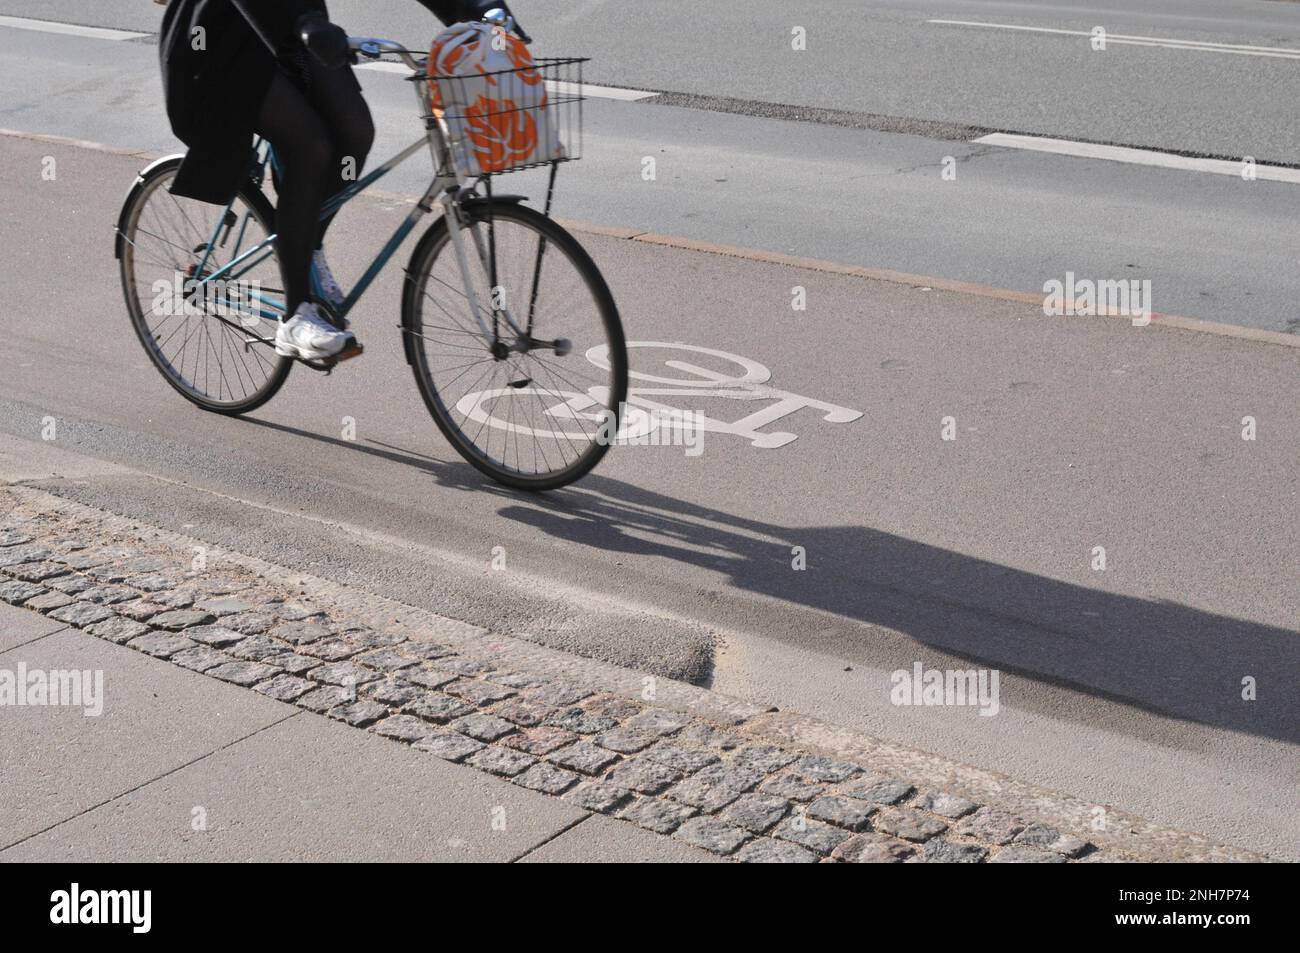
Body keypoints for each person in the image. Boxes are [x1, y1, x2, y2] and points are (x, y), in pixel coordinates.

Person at [159, 0, 514, 361]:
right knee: (310, 145)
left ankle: (305, 244)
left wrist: (474, 7)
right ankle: (296, 315)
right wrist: (305, 21)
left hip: (292, 34)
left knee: (356, 132)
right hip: (221, 45)